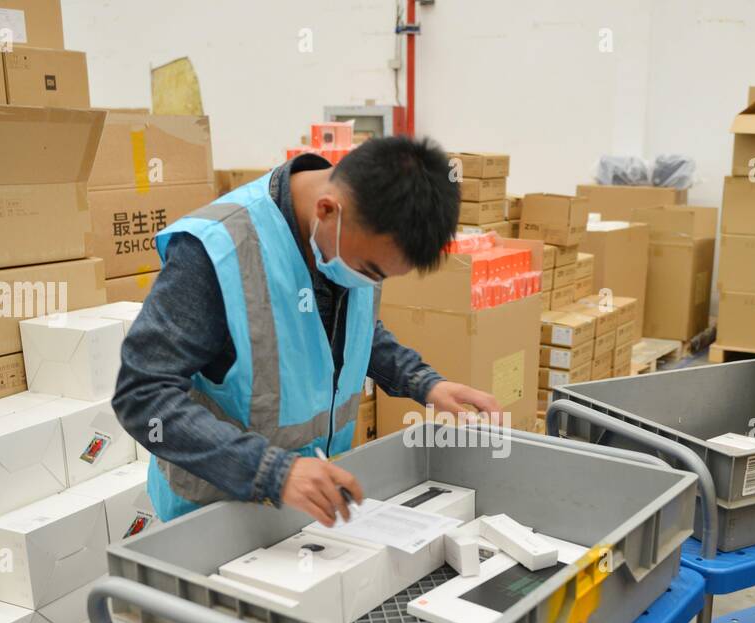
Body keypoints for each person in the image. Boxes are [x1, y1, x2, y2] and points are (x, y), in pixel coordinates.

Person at [113, 136, 500, 527]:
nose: (367, 282)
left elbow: (350, 331)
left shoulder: (350, 241)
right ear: (328, 210)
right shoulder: (217, 251)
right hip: (213, 522)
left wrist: (423, 382)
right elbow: (141, 396)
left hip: (305, 512)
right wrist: (271, 471)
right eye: (368, 270)